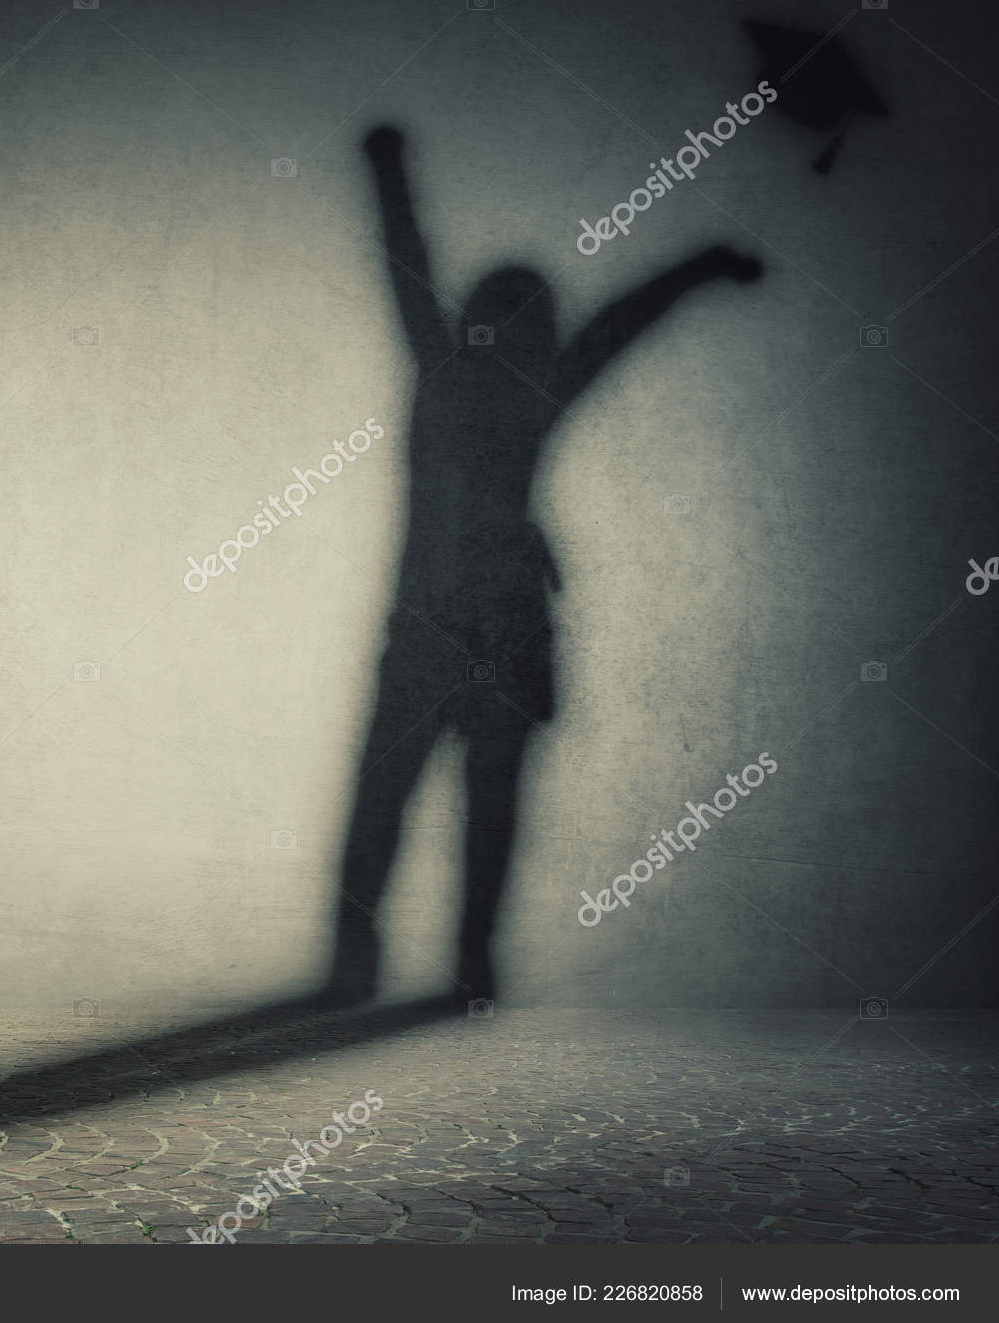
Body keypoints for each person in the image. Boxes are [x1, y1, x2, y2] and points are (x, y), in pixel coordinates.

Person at [321, 123, 762, 1008]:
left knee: (436, 802)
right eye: (523, 322)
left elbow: (601, 323)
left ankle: (409, 960)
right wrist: (389, 168)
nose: (529, 339)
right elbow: (597, 321)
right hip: (466, 628)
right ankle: (422, 959)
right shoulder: (481, 383)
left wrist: (389, 166)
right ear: (498, 329)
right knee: (447, 803)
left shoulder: (493, 386)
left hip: (468, 627)